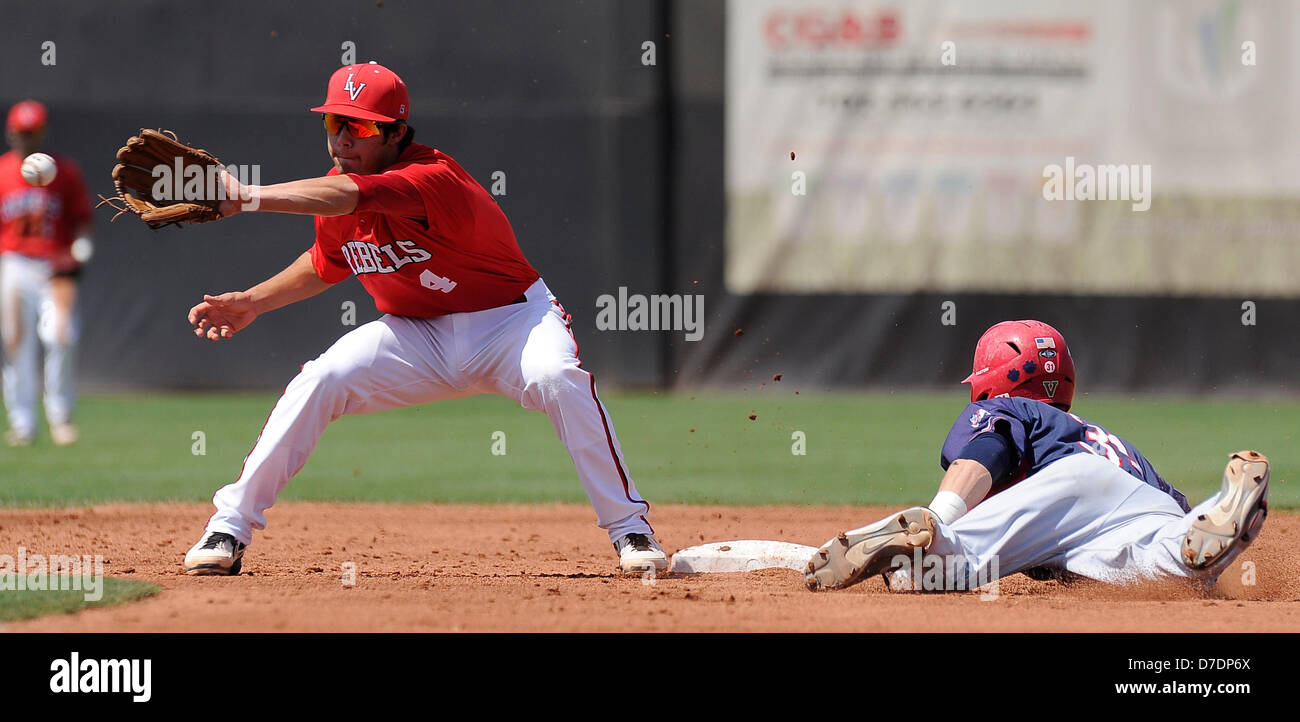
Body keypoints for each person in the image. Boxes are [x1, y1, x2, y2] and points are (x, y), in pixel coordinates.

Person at [182, 62, 667, 576]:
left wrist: (250, 197)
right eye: (334, 123)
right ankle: (228, 529)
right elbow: (327, 263)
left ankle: (629, 529)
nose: (344, 138)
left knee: (557, 378)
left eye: (361, 125)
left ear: (395, 133)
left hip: (509, 324)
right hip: (415, 337)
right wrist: (254, 301)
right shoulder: (330, 189)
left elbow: (354, 196)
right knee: (320, 379)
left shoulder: (431, 178)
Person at [805, 319, 1270, 593]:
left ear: (994, 377)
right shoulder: (1102, 437)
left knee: (941, 568)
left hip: (1070, 487)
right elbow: (1165, 498)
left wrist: (939, 513)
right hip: (1147, 506)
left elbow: (990, 448)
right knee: (1168, 569)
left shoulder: (1006, 407)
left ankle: (932, 545)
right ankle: (1209, 523)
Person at [0, 100, 93, 447]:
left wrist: (81, 248)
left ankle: (60, 416)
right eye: (22, 132)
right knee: (15, 342)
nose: (27, 138)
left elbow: (82, 220)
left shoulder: (65, 172)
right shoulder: (1, 172)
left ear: (42, 132)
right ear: (11, 133)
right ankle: (23, 422)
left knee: (62, 335)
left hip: (55, 265)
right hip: (14, 263)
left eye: (33, 132)